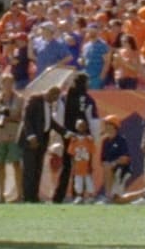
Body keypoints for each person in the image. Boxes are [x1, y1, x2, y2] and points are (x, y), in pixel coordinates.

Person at [53, 73, 96, 203]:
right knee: (82, 167)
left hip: (69, 137)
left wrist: (62, 133)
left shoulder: (64, 98)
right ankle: (78, 195)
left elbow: (58, 117)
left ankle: (58, 196)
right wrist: (93, 137)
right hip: (83, 139)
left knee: (66, 167)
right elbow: (92, 119)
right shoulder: (88, 99)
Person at [19, 85, 62, 203]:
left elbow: (50, 122)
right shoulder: (35, 100)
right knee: (29, 170)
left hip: (42, 140)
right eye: (55, 95)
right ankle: (27, 197)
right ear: (49, 93)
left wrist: (65, 132)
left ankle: (34, 196)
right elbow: (26, 119)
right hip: (31, 141)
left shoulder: (49, 105)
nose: (56, 99)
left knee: (38, 169)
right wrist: (31, 136)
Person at [0, 73, 23, 204]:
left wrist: (9, 118)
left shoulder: (19, 98)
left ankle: (19, 195)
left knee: (16, 164)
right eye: (4, 83)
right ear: (0, 84)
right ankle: (0, 195)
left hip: (14, 136)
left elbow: (22, 117)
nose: (7, 85)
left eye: (10, 83)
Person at [100, 115, 131, 204]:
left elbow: (126, 158)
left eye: (107, 124)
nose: (105, 126)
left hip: (122, 170)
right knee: (107, 167)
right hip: (110, 170)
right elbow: (103, 160)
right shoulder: (105, 141)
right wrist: (108, 164)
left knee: (118, 198)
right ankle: (108, 195)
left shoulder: (121, 140)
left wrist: (114, 163)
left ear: (114, 126)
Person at [67, 119, 95, 204]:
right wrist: (73, 165)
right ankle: (79, 196)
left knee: (88, 181)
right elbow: (71, 154)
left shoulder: (89, 140)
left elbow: (91, 153)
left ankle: (90, 196)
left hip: (86, 164)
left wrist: (90, 165)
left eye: (83, 126)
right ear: (76, 127)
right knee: (78, 182)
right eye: (79, 126)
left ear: (86, 127)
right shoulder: (74, 140)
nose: (81, 128)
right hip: (78, 165)